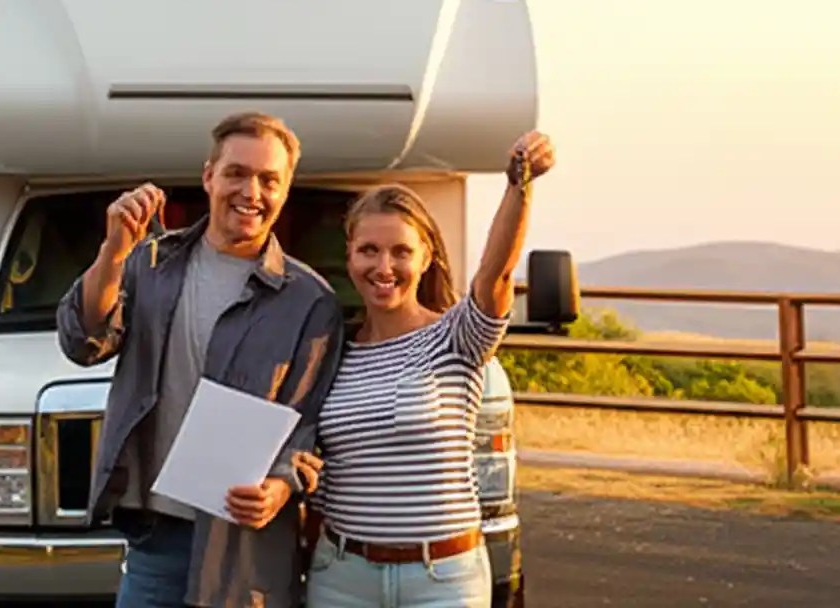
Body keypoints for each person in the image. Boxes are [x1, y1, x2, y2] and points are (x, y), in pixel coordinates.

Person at [56, 112, 343, 608]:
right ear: (209, 176)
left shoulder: (310, 302)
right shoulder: (149, 263)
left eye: (269, 180)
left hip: (247, 551)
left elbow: (310, 427)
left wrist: (280, 486)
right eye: (236, 173)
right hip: (156, 542)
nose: (251, 192)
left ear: (285, 190)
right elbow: (83, 341)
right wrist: (113, 252)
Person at [305, 130, 556, 607]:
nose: (384, 267)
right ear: (350, 256)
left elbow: (497, 273)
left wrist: (519, 185)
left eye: (401, 251)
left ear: (426, 258)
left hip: (442, 581)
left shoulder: (458, 337)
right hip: (341, 576)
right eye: (369, 250)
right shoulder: (331, 351)